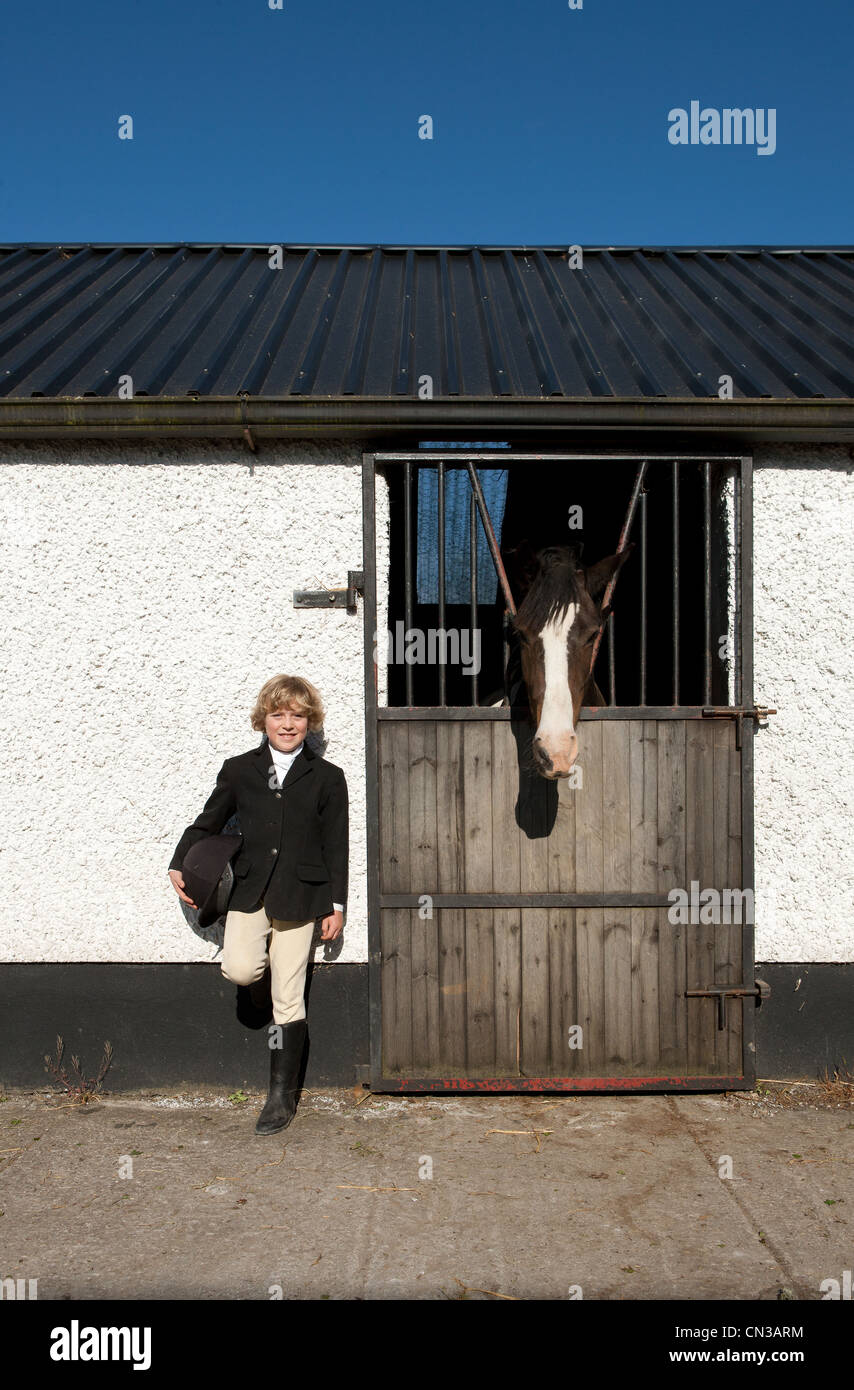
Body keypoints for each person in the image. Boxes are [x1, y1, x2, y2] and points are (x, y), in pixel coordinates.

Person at [168, 674, 348, 1135]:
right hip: (249, 892)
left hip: (302, 896)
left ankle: (280, 1098)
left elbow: (336, 845)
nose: (288, 724)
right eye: (278, 714)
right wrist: (177, 862)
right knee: (242, 970)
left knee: (290, 998)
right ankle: (256, 990)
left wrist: (336, 903)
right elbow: (207, 821)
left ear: (310, 722)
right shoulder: (238, 769)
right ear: (263, 720)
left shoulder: (328, 778)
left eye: (297, 715)